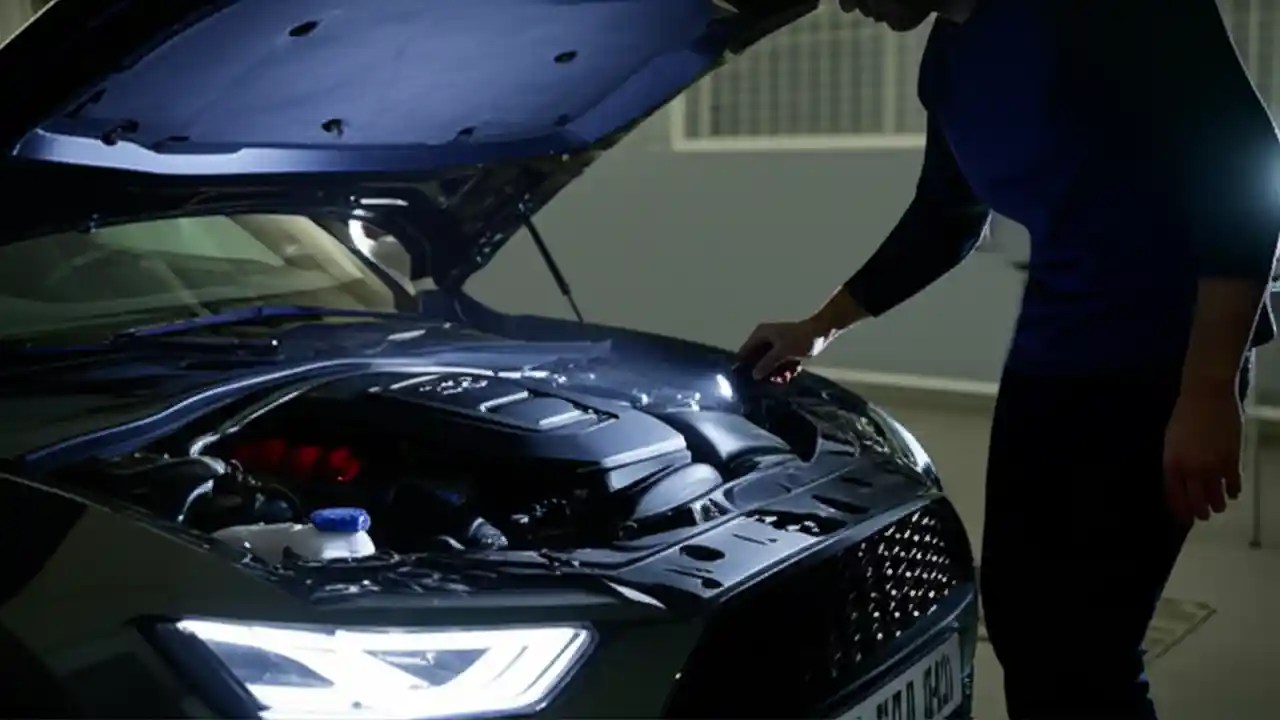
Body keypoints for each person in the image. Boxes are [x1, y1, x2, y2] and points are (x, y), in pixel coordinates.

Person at [736, 1, 1280, 718]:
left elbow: (1245, 162)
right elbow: (946, 215)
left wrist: (1209, 387)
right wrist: (820, 326)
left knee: (1089, 652)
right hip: (1052, 358)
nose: (842, 0)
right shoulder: (949, 60)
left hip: (1163, 365)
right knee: (1023, 633)